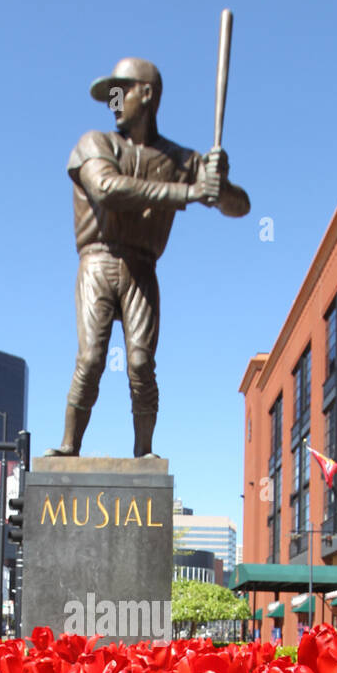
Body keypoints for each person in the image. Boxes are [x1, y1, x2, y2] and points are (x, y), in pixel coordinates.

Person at [45, 58, 250, 459]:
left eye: (121, 91)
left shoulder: (178, 159)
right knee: (90, 359)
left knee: (140, 363)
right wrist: (188, 192)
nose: (114, 101)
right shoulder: (95, 143)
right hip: (98, 260)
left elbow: (238, 206)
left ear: (148, 93)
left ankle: (144, 453)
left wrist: (217, 183)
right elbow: (107, 189)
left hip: (142, 266)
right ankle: (70, 446)